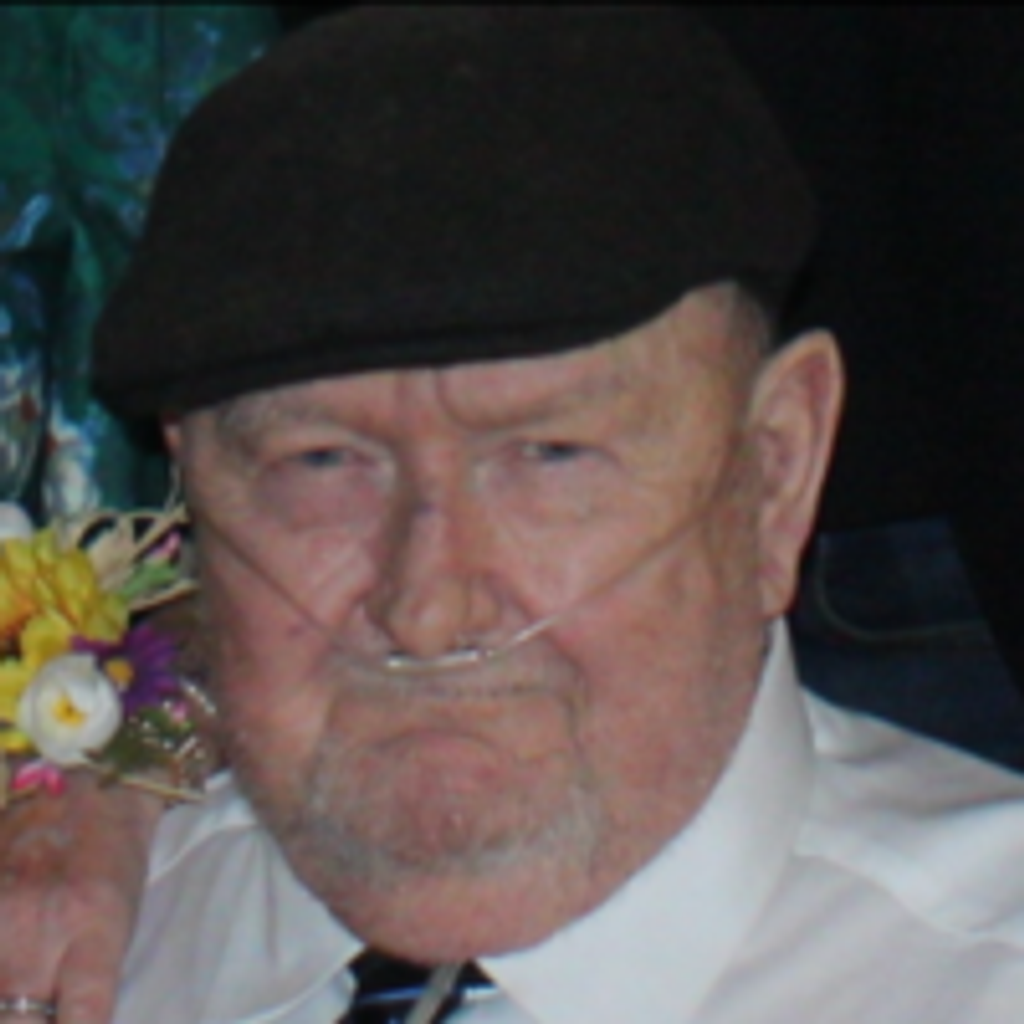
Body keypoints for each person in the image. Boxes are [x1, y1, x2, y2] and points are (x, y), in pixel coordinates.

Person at [3, 7, 1024, 1022]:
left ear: (776, 471)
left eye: (548, 456)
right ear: (192, 481)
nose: (427, 610)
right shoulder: (80, 947)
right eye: (321, 462)